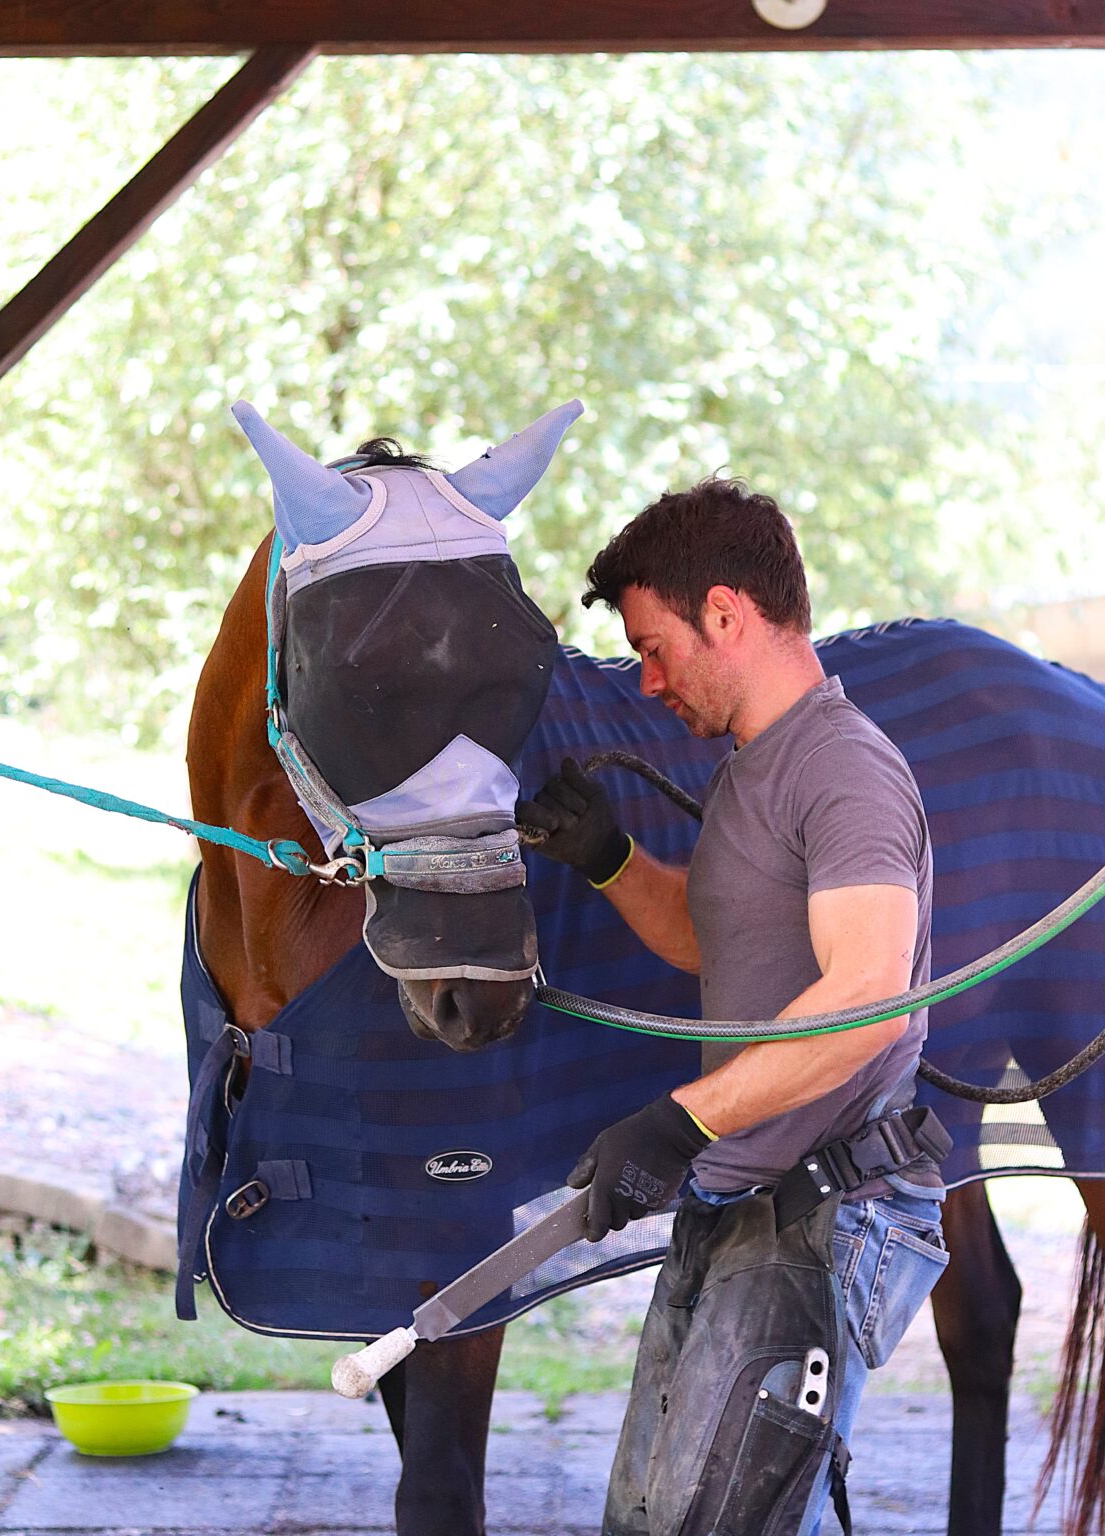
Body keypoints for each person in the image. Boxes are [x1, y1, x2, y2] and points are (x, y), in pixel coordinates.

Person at [517, 477, 952, 1536]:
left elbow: (866, 1001)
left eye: (655, 646)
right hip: (740, 1198)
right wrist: (609, 857)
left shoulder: (842, 769)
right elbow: (714, 942)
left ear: (725, 612)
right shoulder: (749, 771)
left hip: (829, 1211)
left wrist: (679, 1120)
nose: (647, 680)